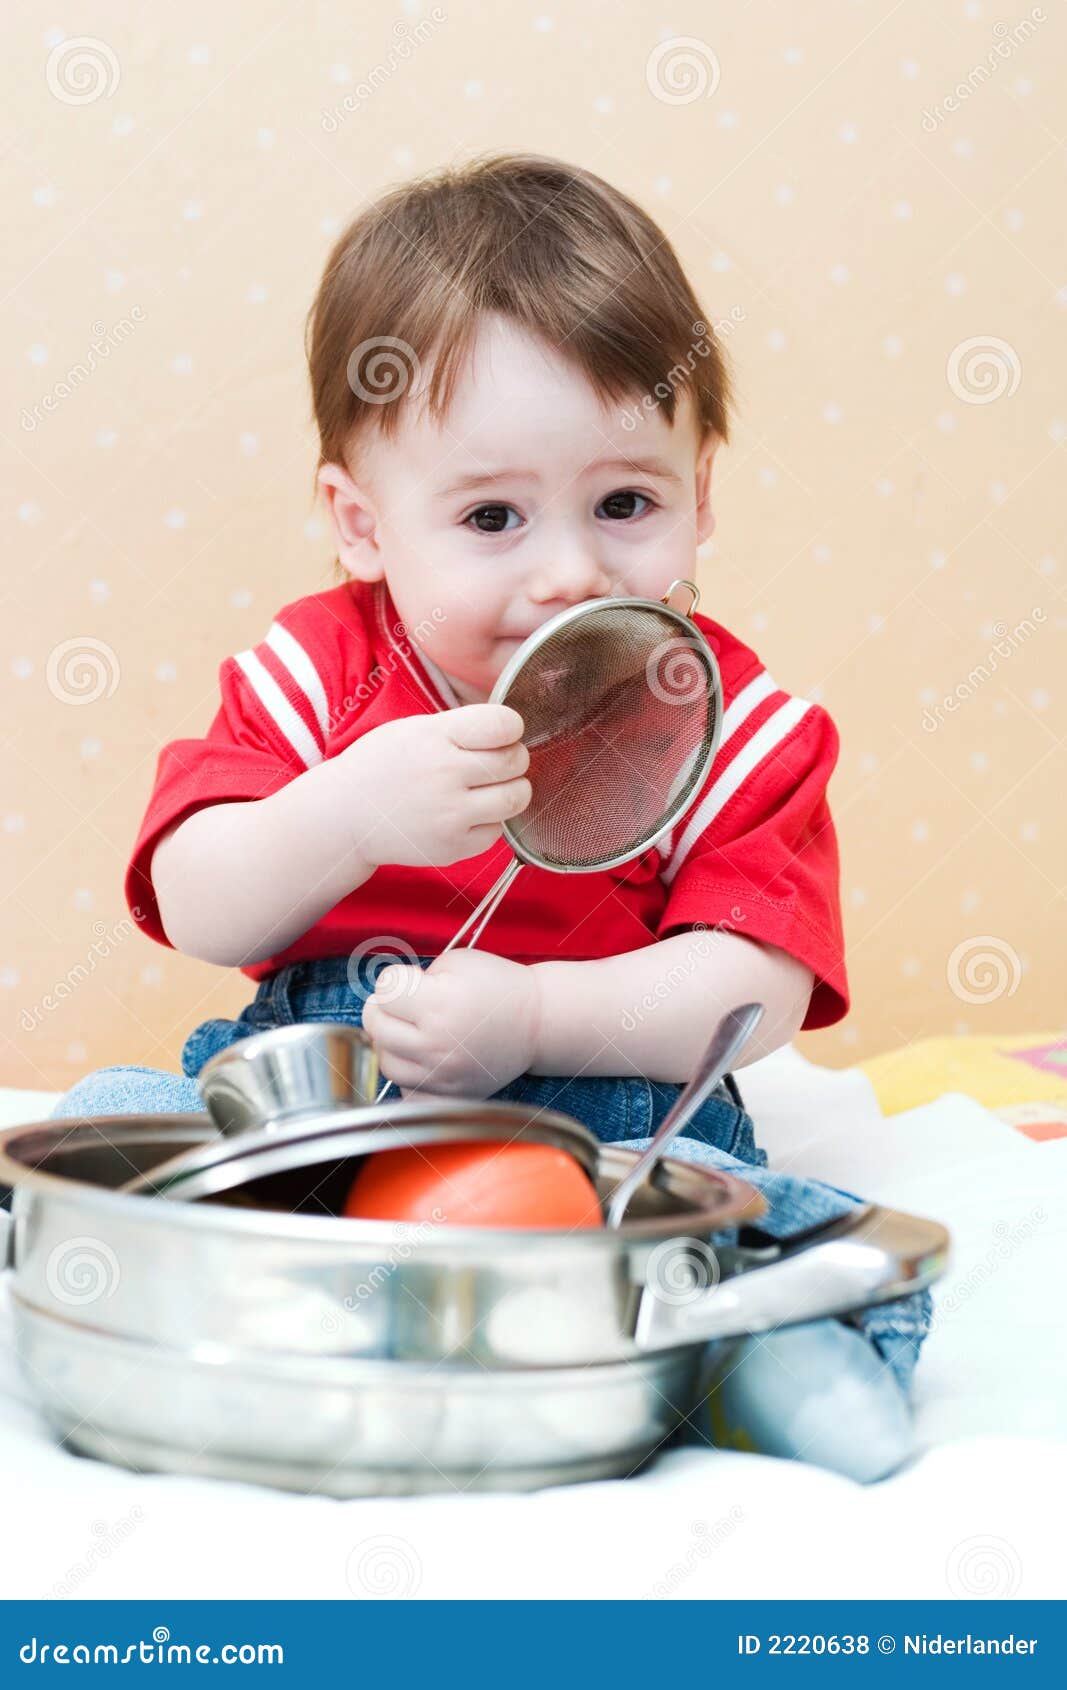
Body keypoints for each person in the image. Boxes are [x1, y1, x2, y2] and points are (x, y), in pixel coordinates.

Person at [56, 154, 929, 1478]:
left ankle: (758, 1349)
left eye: (625, 503)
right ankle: (269, 1313)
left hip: (605, 1148)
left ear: (701, 496)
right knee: (116, 1118)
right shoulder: (320, 677)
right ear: (363, 525)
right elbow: (198, 899)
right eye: (492, 516)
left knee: (741, 1221)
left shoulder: (730, 722)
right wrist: (345, 815)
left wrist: (535, 1017)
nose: (569, 569)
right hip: (327, 1114)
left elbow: (758, 992)